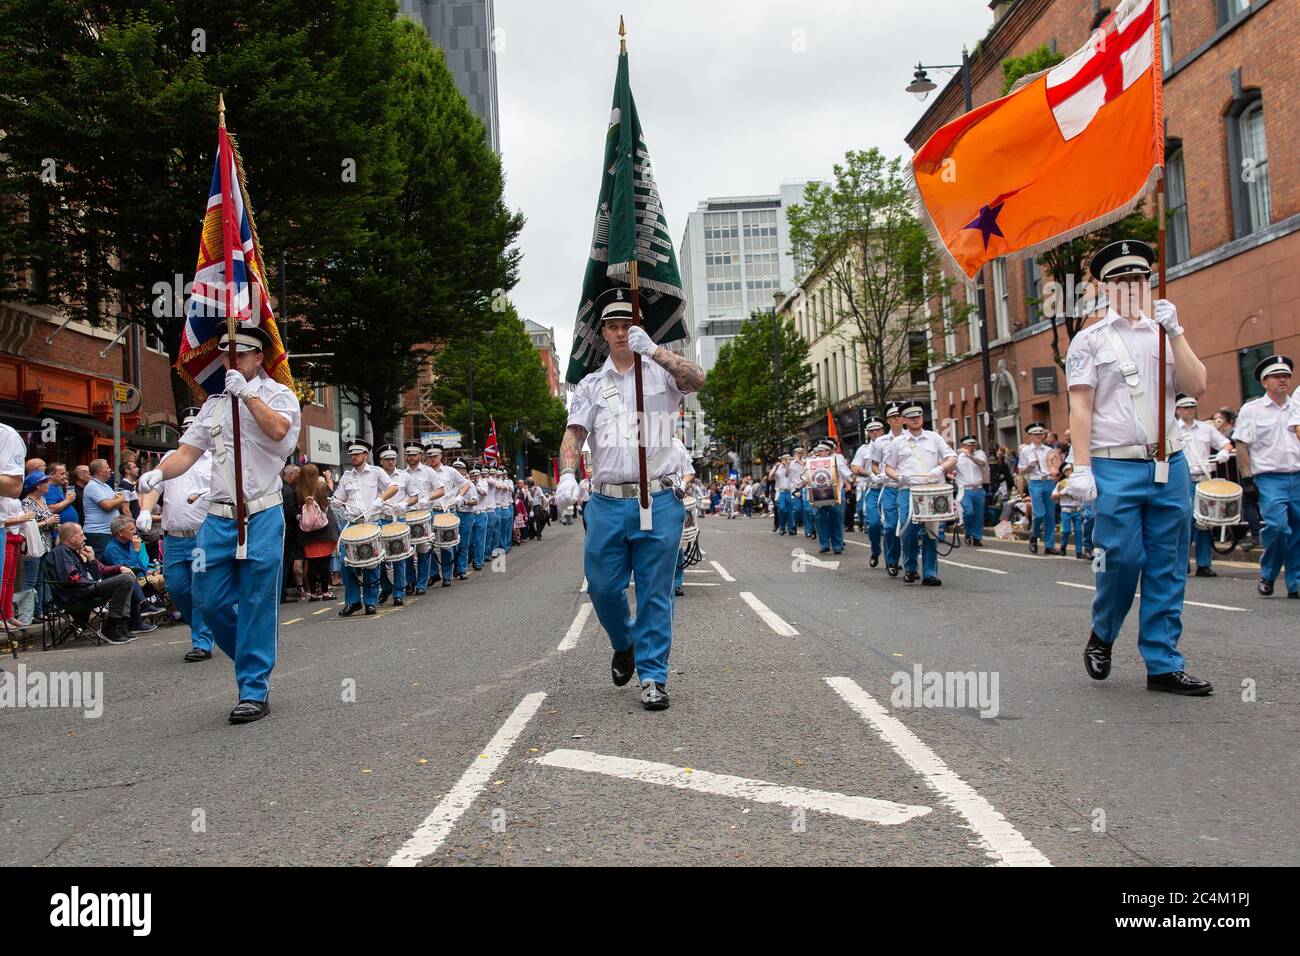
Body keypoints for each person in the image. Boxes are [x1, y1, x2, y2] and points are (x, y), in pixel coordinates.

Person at [136, 320, 302, 722]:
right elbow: (186, 453)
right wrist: (159, 473)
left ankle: (253, 686)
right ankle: (250, 657)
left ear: (259, 358)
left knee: (256, 602)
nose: (231, 360)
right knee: (206, 599)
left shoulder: (279, 396)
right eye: (227, 353)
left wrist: (246, 396)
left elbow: (280, 432)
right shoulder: (212, 405)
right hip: (218, 518)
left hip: (261, 514)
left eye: (240, 353)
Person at [1066, 238, 1212, 696]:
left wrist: (1179, 333)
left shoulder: (1164, 334)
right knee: (1122, 558)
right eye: (1121, 279)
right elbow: (1081, 408)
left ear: (1149, 282)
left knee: (1168, 565)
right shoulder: (1089, 340)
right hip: (1114, 466)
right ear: (1106, 287)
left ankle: (1163, 663)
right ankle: (1103, 631)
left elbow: (1196, 386)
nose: (1132, 285)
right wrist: (1082, 467)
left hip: (1169, 463)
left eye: (1139, 277)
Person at [554, 286, 703, 711]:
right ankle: (625, 643)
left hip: (658, 497)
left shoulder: (660, 373)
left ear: (637, 327)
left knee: (656, 591)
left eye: (627, 324)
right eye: (613, 326)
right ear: (602, 332)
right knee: (602, 586)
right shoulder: (589, 386)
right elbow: (574, 434)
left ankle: (654, 677)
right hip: (606, 500)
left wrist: (656, 352)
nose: (620, 333)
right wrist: (567, 473)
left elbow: (697, 379)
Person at [136, 406, 214, 661]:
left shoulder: (214, 458)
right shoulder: (171, 457)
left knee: (200, 588)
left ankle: (202, 641)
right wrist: (146, 511)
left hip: (201, 537)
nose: (188, 432)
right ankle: (206, 629)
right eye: (184, 429)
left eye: (193, 427)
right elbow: (154, 487)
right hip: (173, 539)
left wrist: (204, 494)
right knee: (176, 587)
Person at [1232, 355, 1299, 598]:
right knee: (1279, 528)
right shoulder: (1252, 410)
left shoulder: (1297, 407)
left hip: (1298, 476)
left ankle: (1296, 583)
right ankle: (1269, 572)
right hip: (1271, 478)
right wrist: (1248, 480)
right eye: (1277, 376)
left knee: (1298, 532)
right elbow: (1242, 445)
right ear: (1264, 382)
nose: (1283, 380)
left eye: (1286, 376)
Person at [883, 404, 956, 586]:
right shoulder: (897, 442)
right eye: (911, 417)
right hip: (909, 488)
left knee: (932, 530)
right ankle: (910, 567)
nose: (916, 419)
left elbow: (952, 457)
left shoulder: (934, 438)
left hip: (931, 488)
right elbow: (888, 467)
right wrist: (899, 476)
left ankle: (930, 572)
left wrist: (940, 469)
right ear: (904, 420)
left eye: (919, 416)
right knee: (909, 528)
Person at [46, 523, 149, 644]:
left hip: (85, 589)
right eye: (81, 535)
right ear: (71, 537)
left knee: (127, 578)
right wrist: (95, 582)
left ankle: (120, 625)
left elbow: (100, 572)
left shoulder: (74, 551)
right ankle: (111, 626)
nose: (85, 538)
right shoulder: (61, 553)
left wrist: (91, 560)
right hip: (74, 594)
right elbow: (72, 579)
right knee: (125, 579)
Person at [332, 438, 399, 614]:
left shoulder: (376, 472)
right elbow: (339, 498)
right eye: (351, 454)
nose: (353, 457)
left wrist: (380, 499)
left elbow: (394, 487)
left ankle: (370, 601)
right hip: (353, 523)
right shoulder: (347, 476)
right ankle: (353, 600)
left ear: (365, 455)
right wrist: (336, 502)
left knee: (371, 563)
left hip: (371, 522)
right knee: (345, 563)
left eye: (357, 454)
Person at [1173, 393, 1233, 577]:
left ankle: (1204, 563)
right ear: (1177, 409)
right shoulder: (1173, 429)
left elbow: (1226, 443)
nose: (1189, 410)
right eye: (1185, 407)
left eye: (1192, 407)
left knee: (1204, 523)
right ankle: (1183, 562)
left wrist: (1224, 452)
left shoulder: (1206, 429)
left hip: (1204, 480)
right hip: (1183, 480)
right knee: (1186, 522)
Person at [295, 464, 339, 602]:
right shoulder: (320, 487)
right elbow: (332, 498)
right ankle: (325, 591)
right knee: (324, 564)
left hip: (307, 532)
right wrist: (328, 481)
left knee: (312, 564)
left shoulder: (298, 491)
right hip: (324, 531)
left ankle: (313, 592)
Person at [374, 444, 409, 606]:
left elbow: (414, 495)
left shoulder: (404, 476)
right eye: (387, 459)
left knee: (398, 557)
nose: (390, 462)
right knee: (378, 558)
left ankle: (399, 593)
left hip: (398, 519)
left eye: (393, 459)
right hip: (381, 519)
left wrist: (405, 503)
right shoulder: (374, 476)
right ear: (381, 461)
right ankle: (386, 586)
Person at [1018, 422, 1061, 554]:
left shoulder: (1049, 450)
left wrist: (1056, 474)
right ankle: (1034, 535)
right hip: (1035, 482)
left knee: (1050, 515)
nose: (1038, 436)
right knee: (1039, 513)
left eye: (1040, 433)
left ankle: (1049, 545)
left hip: (1048, 482)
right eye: (1035, 434)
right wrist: (1029, 467)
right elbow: (1020, 470)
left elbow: (1055, 466)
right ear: (1029, 436)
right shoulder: (1025, 450)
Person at [874, 404, 906, 576]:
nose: (897, 419)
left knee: (910, 527)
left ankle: (910, 563)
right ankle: (892, 560)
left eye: (899, 416)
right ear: (888, 421)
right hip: (890, 488)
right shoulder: (880, 442)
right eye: (893, 416)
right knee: (891, 526)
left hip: (908, 487)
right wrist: (878, 475)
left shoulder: (911, 438)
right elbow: (874, 465)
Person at [852, 417, 886, 565]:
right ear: (867, 433)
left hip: (891, 488)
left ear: (883, 430)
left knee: (892, 526)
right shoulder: (863, 450)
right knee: (874, 524)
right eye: (871, 430)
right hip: (873, 489)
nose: (875, 432)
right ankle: (875, 550)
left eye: (877, 429)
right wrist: (869, 474)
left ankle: (892, 558)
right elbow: (855, 468)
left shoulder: (893, 445)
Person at [810, 437, 852, 555]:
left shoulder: (836, 460)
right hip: (818, 495)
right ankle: (824, 544)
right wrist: (800, 485)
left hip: (835, 494)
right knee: (819, 519)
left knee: (836, 520)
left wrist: (852, 479)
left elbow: (847, 473)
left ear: (828, 451)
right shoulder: (813, 461)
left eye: (822, 450)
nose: (819, 452)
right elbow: (806, 476)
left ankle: (837, 545)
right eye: (818, 450)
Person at [81, 459, 125, 559]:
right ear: (100, 471)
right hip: (98, 533)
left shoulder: (105, 486)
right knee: (101, 562)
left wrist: (118, 501)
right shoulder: (93, 486)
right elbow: (107, 506)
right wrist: (121, 498)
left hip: (108, 532)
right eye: (107, 467)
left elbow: (118, 505)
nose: (110, 470)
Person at [669, 438, 696, 597]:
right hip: (650, 498)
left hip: (675, 497)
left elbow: (689, 472)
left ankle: (677, 583)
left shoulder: (676, 443)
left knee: (676, 542)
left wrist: (681, 485)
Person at [955, 437, 987, 547]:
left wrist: (970, 456)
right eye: (968, 445)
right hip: (965, 489)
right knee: (969, 512)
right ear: (963, 446)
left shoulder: (979, 454)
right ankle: (968, 532)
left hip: (978, 488)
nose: (971, 447)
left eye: (973, 445)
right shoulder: (958, 457)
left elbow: (982, 463)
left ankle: (977, 537)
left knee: (979, 515)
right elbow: (950, 469)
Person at [280, 463, 303, 603]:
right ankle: (282, 593)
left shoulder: (283, 488)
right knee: (285, 562)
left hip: (284, 531)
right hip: (288, 532)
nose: (298, 476)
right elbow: (292, 512)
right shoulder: (288, 491)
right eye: (297, 474)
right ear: (290, 475)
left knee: (285, 562)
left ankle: (284, 591)